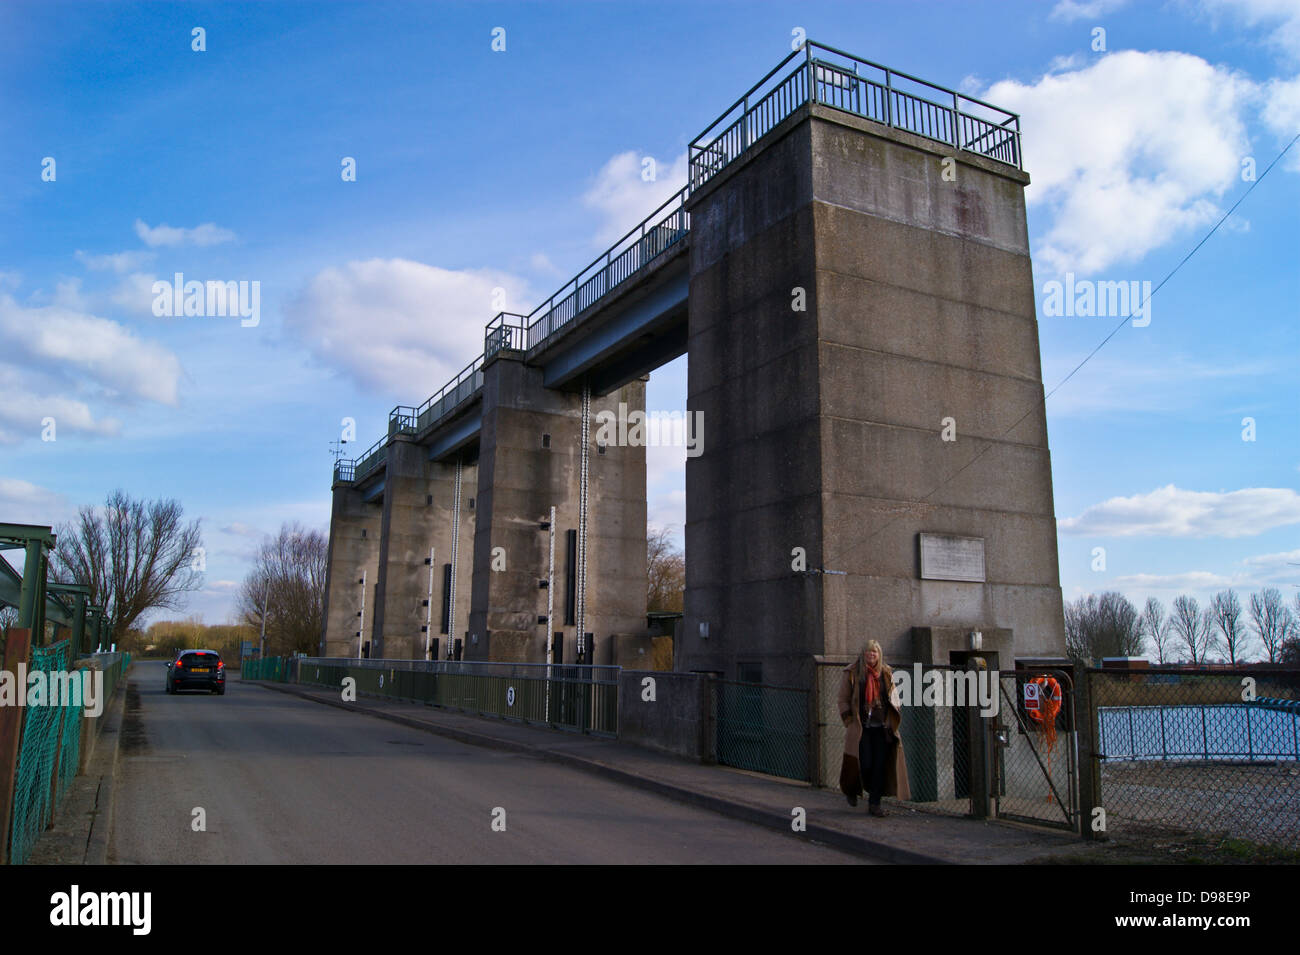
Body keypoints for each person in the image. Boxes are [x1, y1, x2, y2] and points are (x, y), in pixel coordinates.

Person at [837, 640, 910, 815]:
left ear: (879, 655)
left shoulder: (885, 673)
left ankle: (874, 804)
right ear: (863, 654)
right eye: (869, 652)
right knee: (865, 763)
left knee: (879, 766)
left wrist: (894, 714)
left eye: (875, 652)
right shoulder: (853, 673)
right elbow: (843, 699)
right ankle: (852, 790)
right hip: (862, 728)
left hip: (881, 727)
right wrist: (849, 721)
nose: (871, 655)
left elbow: (893, 696)